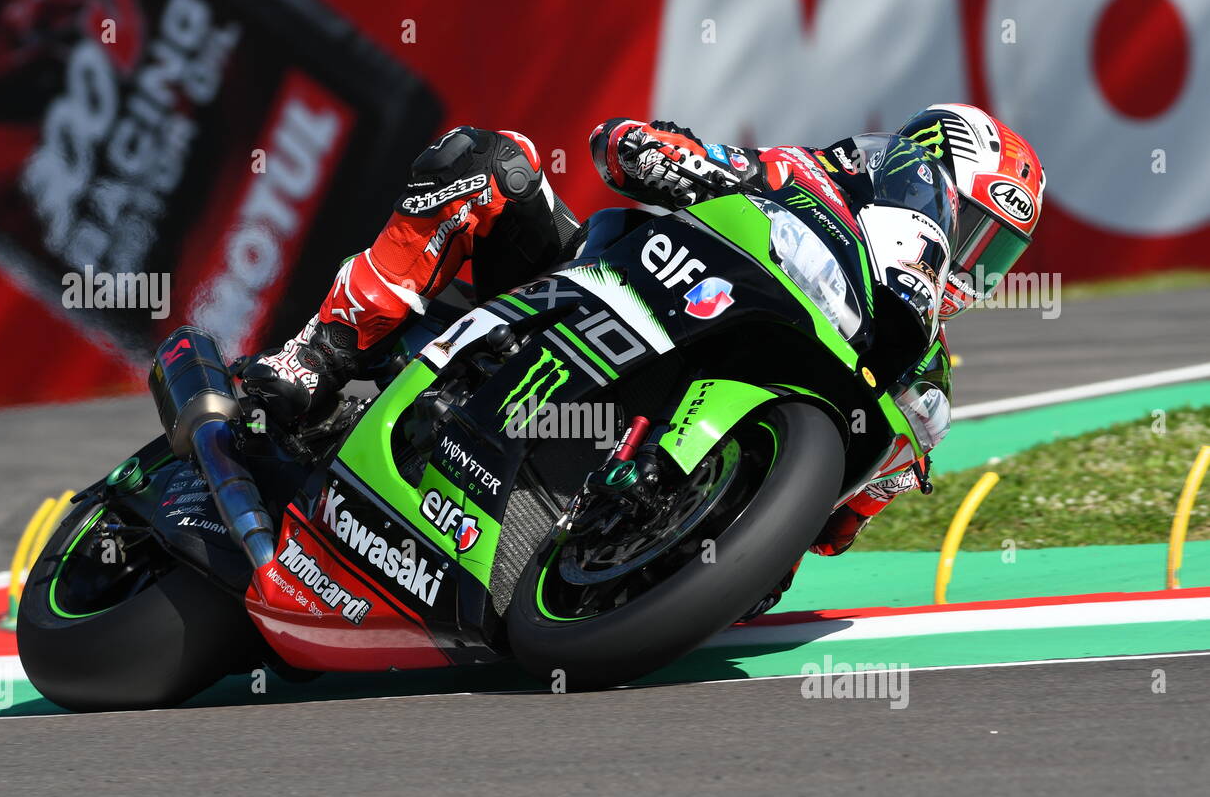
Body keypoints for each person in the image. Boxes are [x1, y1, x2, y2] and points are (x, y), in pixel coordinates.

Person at [242, 103, 1045, 592]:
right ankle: (315, 359)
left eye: (997, 256)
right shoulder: (804, 176)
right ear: (915, 177)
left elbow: (834, 529)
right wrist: (668, 157)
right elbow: (621, 144)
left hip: (669, 478)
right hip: (594, 295)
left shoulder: (926, 377)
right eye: (972, 233)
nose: (971, 267)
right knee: (488, 162)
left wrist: (819, 511)